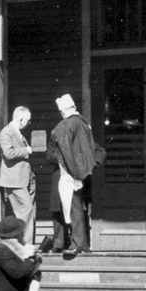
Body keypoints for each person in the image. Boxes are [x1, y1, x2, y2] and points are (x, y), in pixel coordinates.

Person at [49, 93, 98, 258]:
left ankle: (76, 243)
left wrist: (74, 172)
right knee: (79, 208)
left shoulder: (65, 125)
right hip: (85, 171)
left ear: (62, 111)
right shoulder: (84, 123)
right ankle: (82, 243)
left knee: (73, 207)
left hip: (72, 173)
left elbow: (66, 151)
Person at [0, 105, 35, 243]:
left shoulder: (18, 133)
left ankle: (24, 243)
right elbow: (9, 153)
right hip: (14, 180)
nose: (28, 123)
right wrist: (26, 150)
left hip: (23, 179)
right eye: (27, 120)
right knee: (26, 209)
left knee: (25, 212)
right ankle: (22, 244)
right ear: (20, 119)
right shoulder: (6, 133)